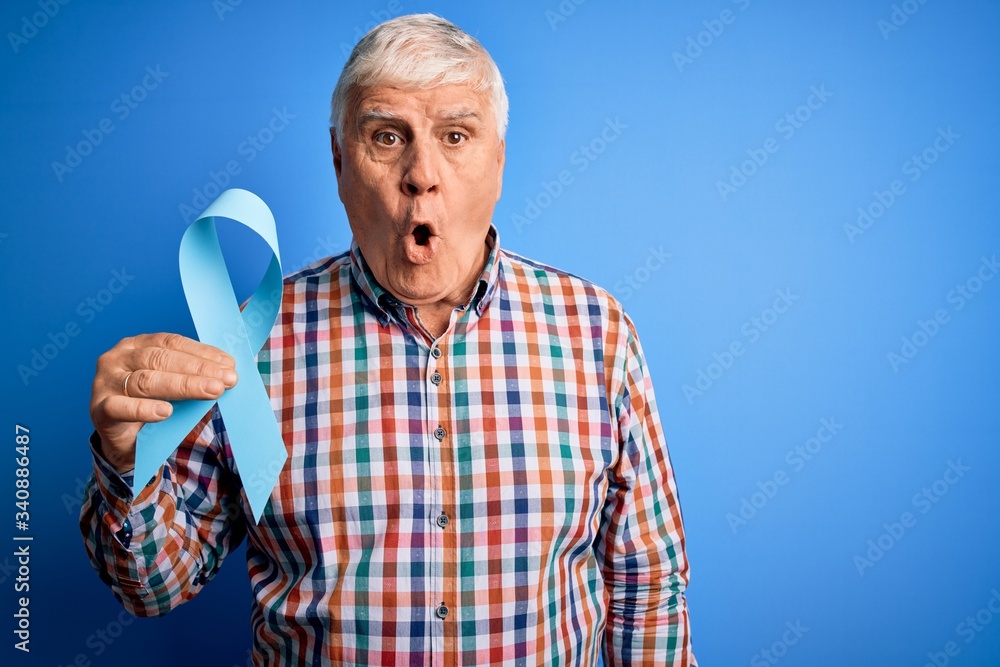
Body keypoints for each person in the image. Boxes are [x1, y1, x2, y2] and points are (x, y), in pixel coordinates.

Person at [81, 13, 696, 666]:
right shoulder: (252, 344)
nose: (421, 174)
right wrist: (127, 460)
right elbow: (154, 585)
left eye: (456, 135)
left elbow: (649, 583)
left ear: (498, 161)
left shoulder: (595, 334)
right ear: (341, 162)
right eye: (386, 136)